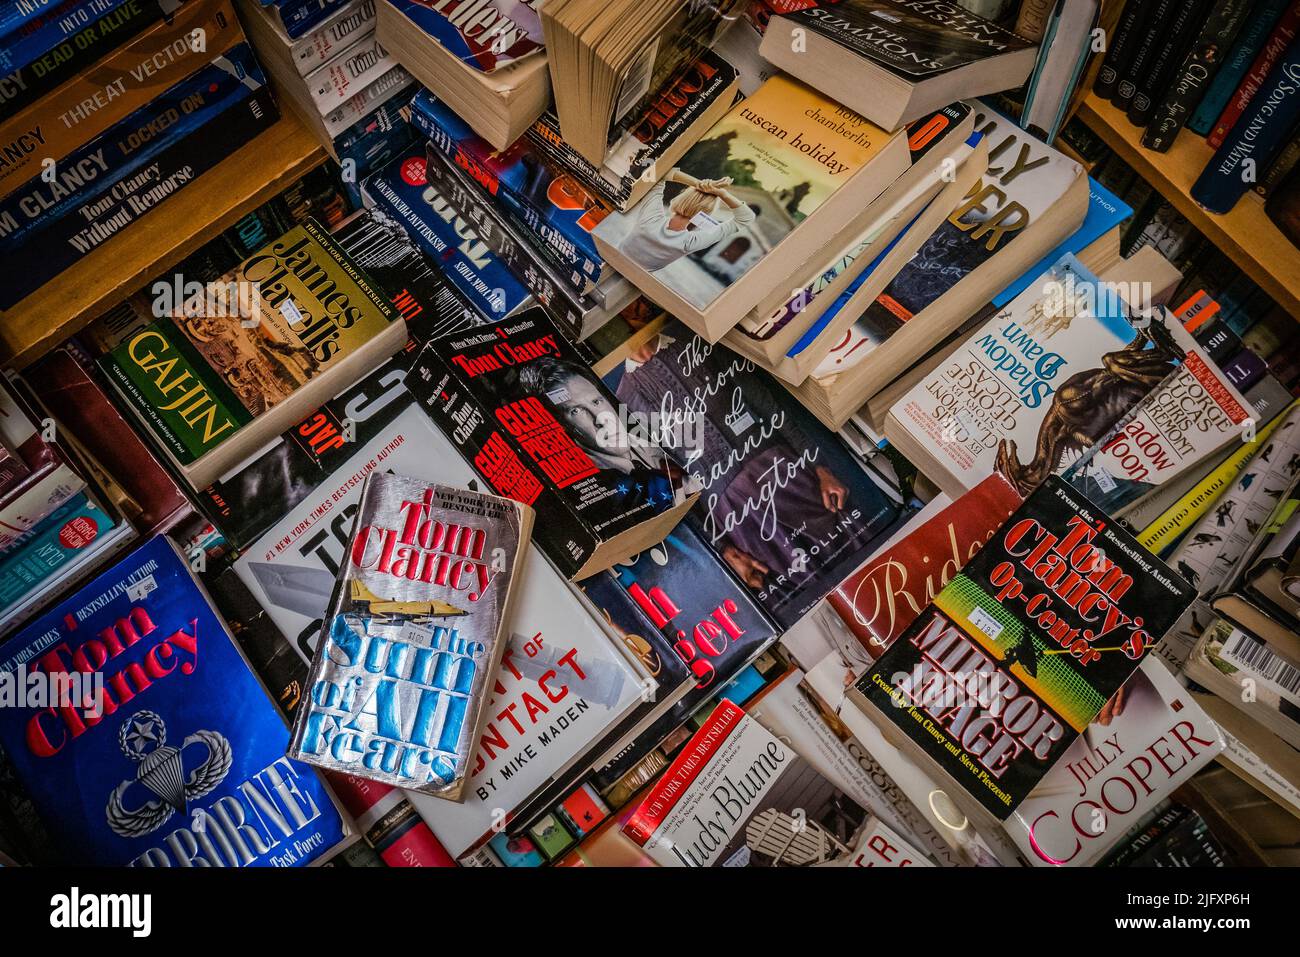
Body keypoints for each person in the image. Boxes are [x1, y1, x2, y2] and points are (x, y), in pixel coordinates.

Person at [617, 167, 756, 272]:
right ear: (706, 213)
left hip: (609, 260)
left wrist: (698, 184)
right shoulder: (689, 243)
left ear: (681, 197)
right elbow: (746, 218)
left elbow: (656, 170)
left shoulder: (651, 218)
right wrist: (721, 193)